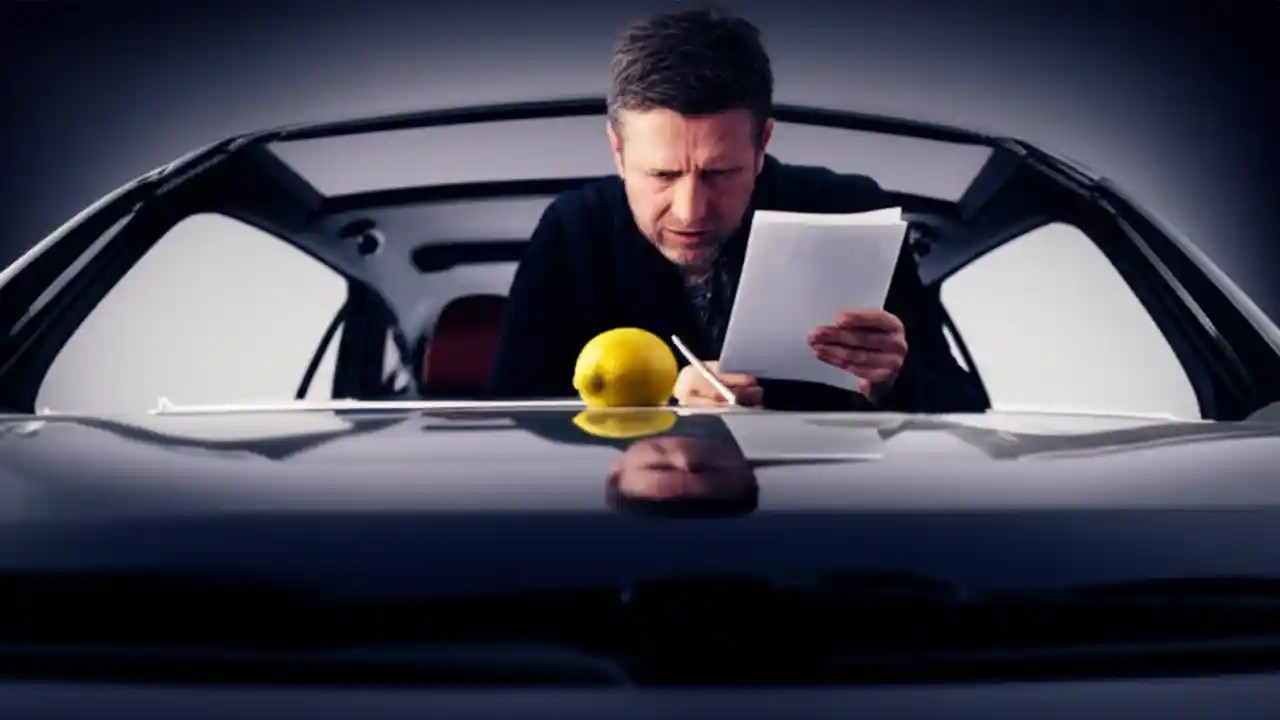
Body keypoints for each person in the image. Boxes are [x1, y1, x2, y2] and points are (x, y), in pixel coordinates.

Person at [488, 6, 986, 412]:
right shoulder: (573, 230)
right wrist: (662, 405)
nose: (690, 211)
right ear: (618, 152)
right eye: (663, 175)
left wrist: (894, 380)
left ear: (761, 144)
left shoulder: (848, 212)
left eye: (719, 173)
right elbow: (513, 418)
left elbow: (965, 408)